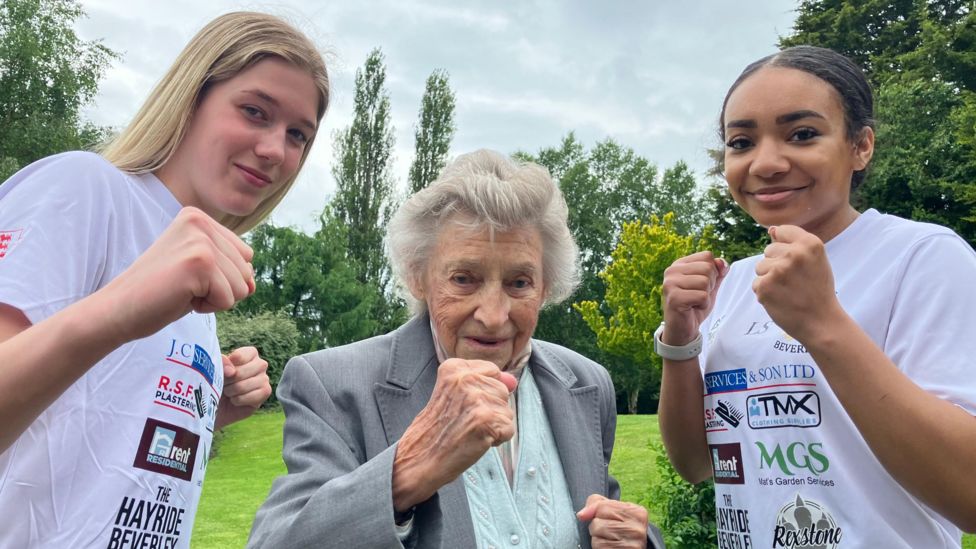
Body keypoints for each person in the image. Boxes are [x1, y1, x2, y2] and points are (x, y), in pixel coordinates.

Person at [0, 11, 329, 548]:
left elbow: (95, 431)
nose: (276, 150)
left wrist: (209, 411)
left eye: (298, 134)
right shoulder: (83, 189)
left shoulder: (189, 261)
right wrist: (121, 308)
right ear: (190, 97)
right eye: (254, 111)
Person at [247, 150, 665, 549]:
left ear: (546, 286)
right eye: (464, 278)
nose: (494, 315)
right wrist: (404, 475)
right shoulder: (333, 385)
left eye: (519, 283)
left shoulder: (586, 385)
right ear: (418, 277)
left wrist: (637, 540)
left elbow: (607, 514)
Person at [657, 45, 976, 548]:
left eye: (802, 134)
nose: (764, 163)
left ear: (861, 146)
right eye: (741, 142)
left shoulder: (924, 257)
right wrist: (679, 341)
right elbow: (697, 464)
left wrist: (822, 322)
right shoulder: (735, 282)